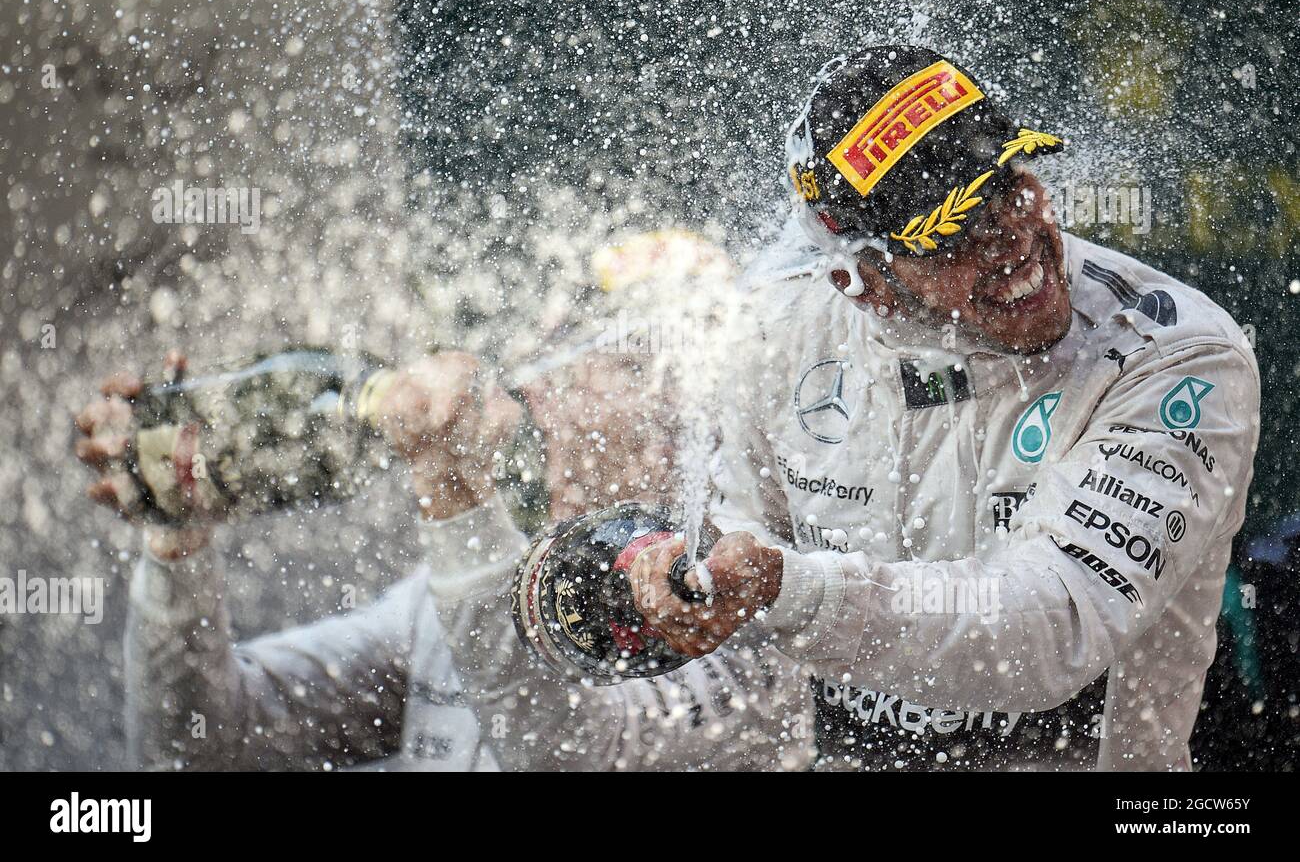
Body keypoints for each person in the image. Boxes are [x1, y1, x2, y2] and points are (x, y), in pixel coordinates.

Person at [629, 46, 1261, 770]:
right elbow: (731, 557)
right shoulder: (778, 337)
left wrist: (789, 588)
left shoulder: (1176, 353)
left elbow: (1048, 629)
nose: (1013, 237)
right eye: (952, 232)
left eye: (1010, 185)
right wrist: (662, 574)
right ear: (863, 281)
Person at [74, 233, 811, 771]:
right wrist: (176, 549)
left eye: (704, 372)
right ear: (549, 382)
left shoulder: (756, 612)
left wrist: (454, 491)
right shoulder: (442, 601)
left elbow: (568, 756)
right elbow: (198, 749)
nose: (677, 399)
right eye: (637, 362)